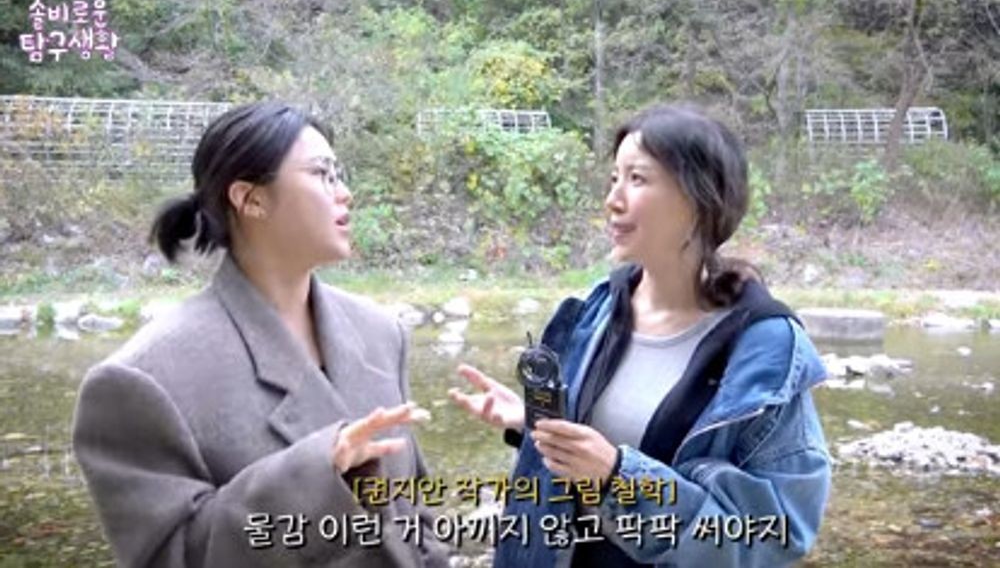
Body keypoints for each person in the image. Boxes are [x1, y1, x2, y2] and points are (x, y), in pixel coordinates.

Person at [449, 104, 831, 567]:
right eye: (614, 178)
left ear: (698, 199)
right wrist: (530, 424)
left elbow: (775, 535)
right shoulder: (594, 311)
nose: (613, 200)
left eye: (637, 179)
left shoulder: (765, 351)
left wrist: (618, 479)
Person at [72, 101, 449, 568]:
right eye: (322, 174)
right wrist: (317, 475)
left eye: (340, 174)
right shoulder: (141, 380)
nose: (345, 193)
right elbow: (171, 556)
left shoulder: (380, 332)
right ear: (250, 199)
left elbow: (415, 513)